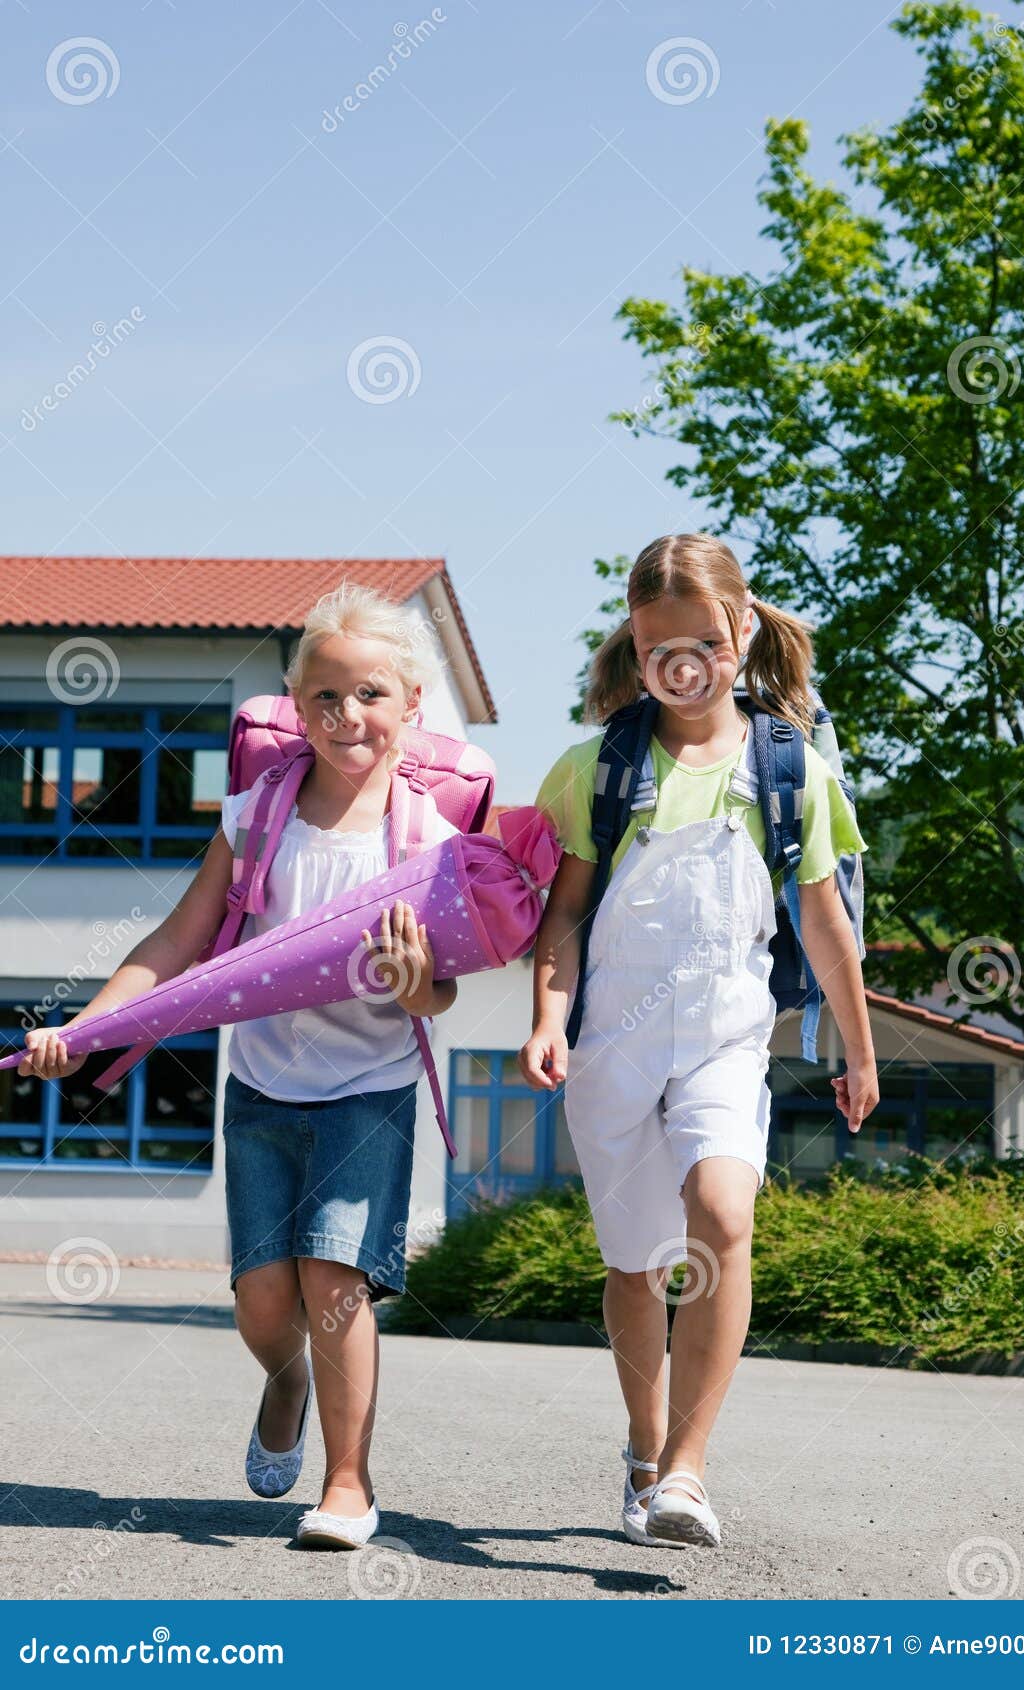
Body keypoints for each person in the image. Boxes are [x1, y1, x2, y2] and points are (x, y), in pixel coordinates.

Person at [20, 581, 459, 1550]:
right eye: (327, 699)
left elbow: (440, 999)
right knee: (266, 1304)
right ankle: (285, 1374)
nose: (350, 717)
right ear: (297, 709)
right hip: (261, 1086)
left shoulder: (430, 840)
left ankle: (347, 1483)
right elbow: (178, 940)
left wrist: (415, 979)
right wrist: (85, 1029)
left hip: (368, 1090)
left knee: (333, 1279)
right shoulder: (257, 813)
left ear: (412, 707)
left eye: (372, 696)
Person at [519, 533, 878, 1549]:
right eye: (657, 648)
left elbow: (823, 923)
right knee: (633, 1264)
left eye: (704, 643)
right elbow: (561, 916)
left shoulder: (788, 768)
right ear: (636, 653)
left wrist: (857, 1049)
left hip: (726, 1035)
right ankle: (641, 1452)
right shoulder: (597, 766)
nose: (683, 665)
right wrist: (546, 1018)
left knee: (721, 1212)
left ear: (741, 631)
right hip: (611, 1045)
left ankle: (686, 1467)